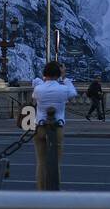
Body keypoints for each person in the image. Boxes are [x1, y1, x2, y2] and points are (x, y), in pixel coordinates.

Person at [32, 62, 78, 190]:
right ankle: (54, 188)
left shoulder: (38, 89)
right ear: (58, 74)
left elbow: (34, 95)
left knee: (41, 162)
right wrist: (64, 77)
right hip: (56, 127)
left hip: (39, 127)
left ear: (44, 74)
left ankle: (41, 189)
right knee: (55, 162)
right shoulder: (63, 89)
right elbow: (73, 93)